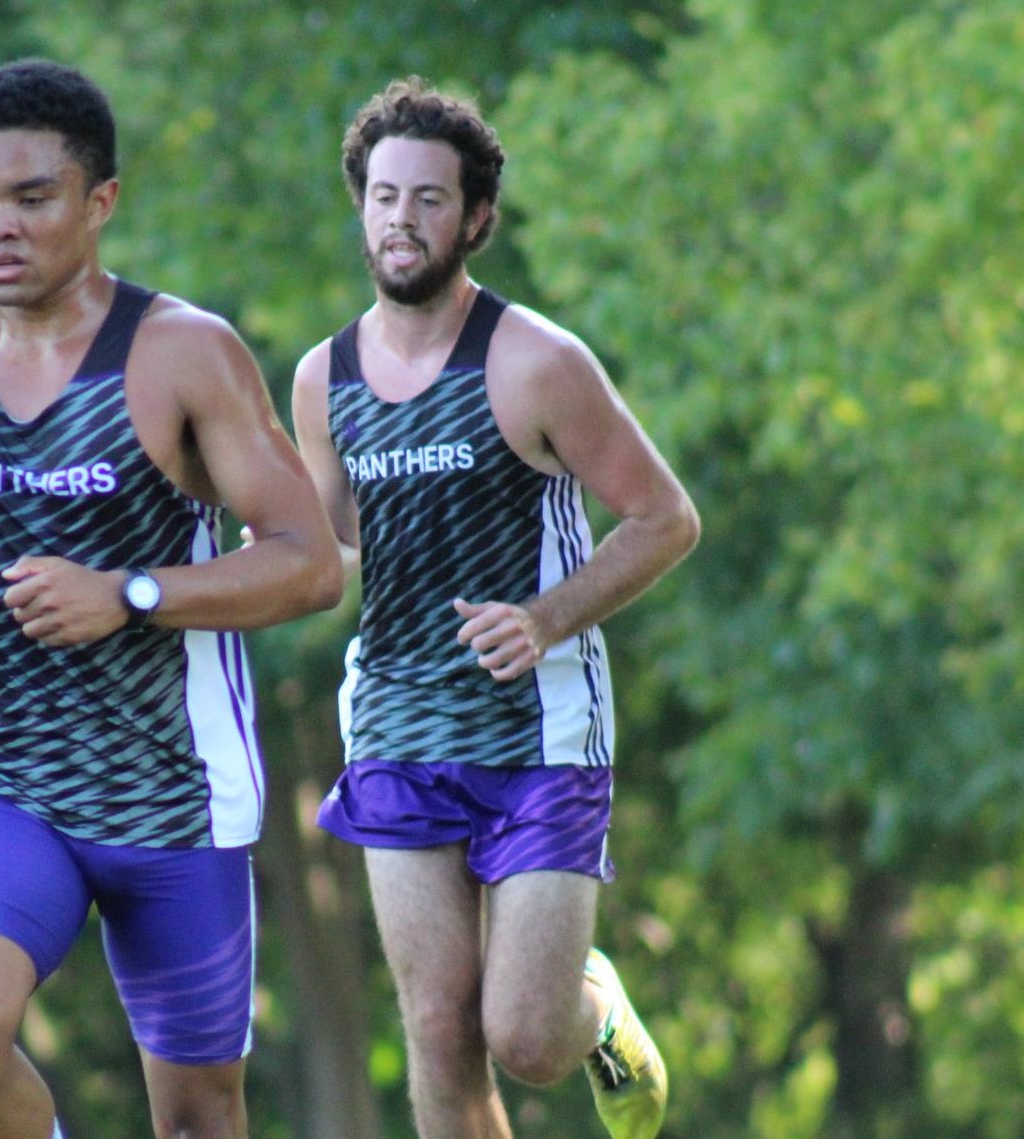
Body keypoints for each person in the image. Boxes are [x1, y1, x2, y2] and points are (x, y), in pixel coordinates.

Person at [0, 59, 343, 1139]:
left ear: (100, 202)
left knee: (196, 1123)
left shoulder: (183, 353)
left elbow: (309, 563)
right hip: (8, 780)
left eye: (31, 197)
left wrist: (128, 594)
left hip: (175, 796)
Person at [290, 78, 700, 1139]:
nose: (400, 220)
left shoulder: (537, 361)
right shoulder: (320, 377)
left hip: (540, 727)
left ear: (475, 219)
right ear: (358, 205)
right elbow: (326, 550)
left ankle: (594, 1004)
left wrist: (548, 616)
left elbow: (664, 518)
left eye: (428, 200)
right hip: (394, 722)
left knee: (522, 1037)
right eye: (383, 196)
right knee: (435, 1025)